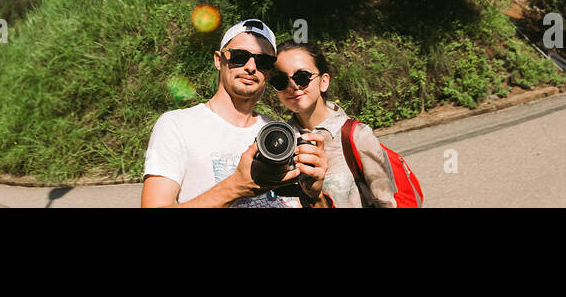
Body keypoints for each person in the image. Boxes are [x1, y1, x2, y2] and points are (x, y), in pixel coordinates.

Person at [140, 18, 332, 207]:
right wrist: (236, 187)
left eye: (263, 61)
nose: (250, 67)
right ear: (218, 60)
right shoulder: (177, 125)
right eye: (239, 56)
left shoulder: (281, 135)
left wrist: (314, 195)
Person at [271, 41, 398, 207]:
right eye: (281, 81)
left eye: (302, 77)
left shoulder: (357, 135)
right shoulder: (279, 143)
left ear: (324, 81)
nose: (293, 86)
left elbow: (386, 202)